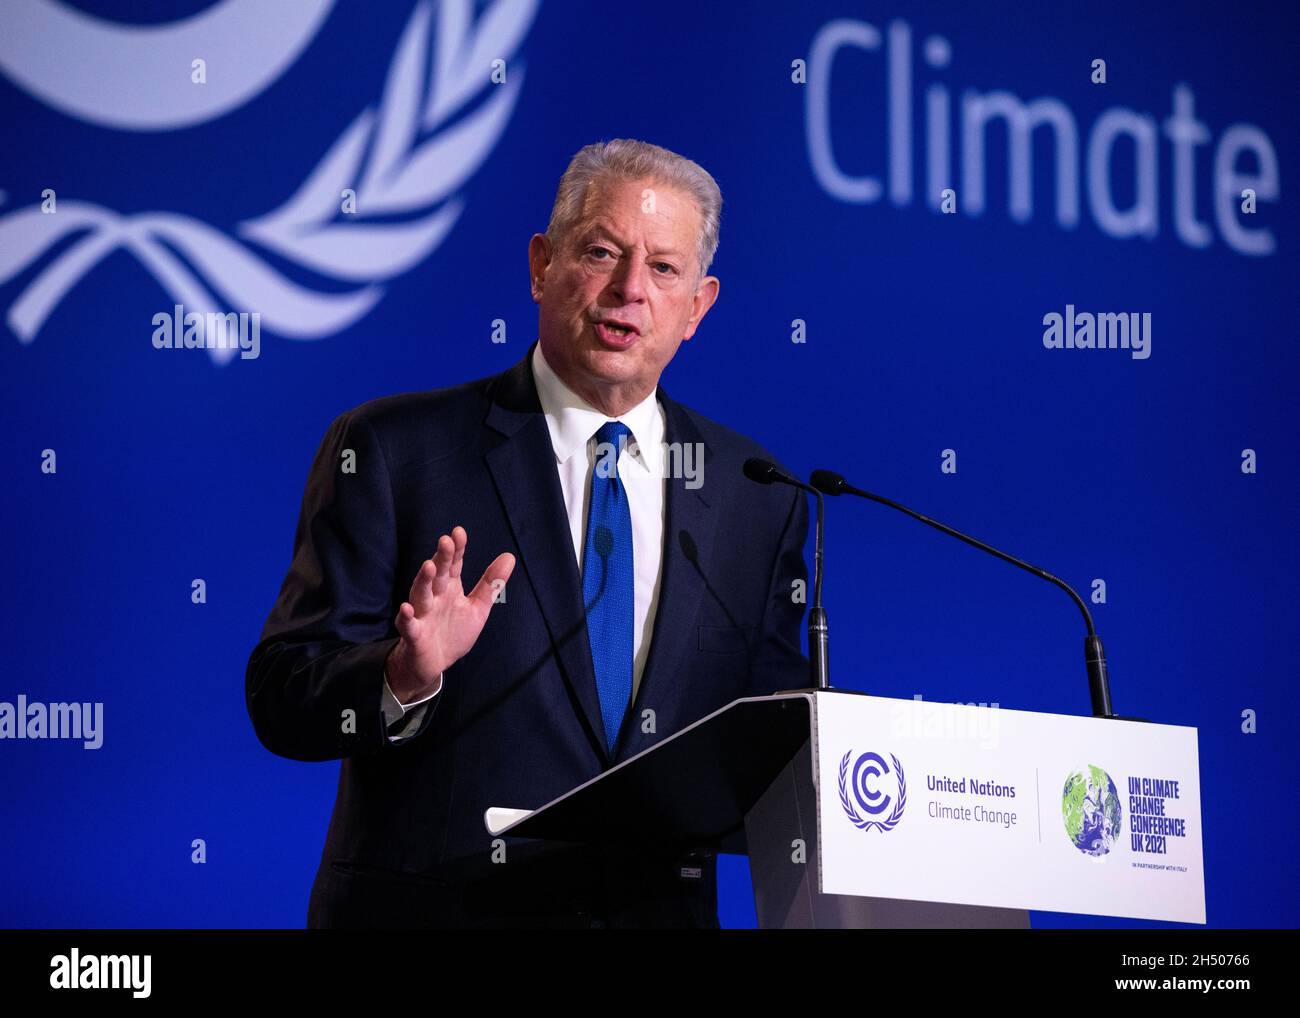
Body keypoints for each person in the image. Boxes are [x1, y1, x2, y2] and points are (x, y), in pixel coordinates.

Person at [246, 138, 810, 928]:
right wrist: (403, 676)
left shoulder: (755, 492)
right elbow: (282, 694)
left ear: (697, 307)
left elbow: (771, 734)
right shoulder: (393, 451)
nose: (630, 289)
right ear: (542, 265)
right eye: (602, 253)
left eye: (663, 268)